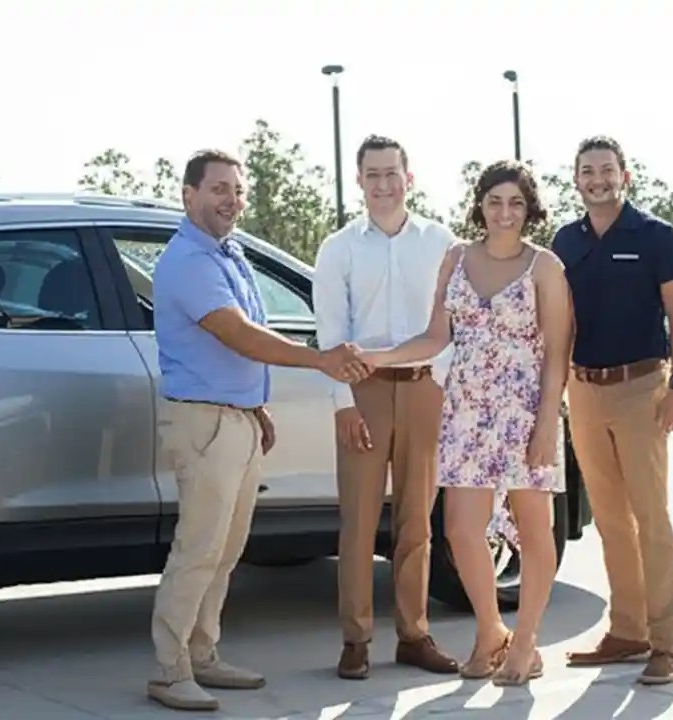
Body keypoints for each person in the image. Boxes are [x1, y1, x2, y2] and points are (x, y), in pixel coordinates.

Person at [148, 148, 370, 712]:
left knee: (225, 551)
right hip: (204, 423)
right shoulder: (189, 262)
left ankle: (203, 655)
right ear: (189, 194)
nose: (231, 200)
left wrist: (256, 404)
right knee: (197, 548)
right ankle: (170, 670)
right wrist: (320, 359)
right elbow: (238, 334)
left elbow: (246, 346)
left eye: (237, 190)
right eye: (218, 188)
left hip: (236, 418)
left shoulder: (229, 253)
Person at [359, 159, 573, 686]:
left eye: (516, 203)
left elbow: (558, 352)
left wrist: (547, 421)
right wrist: (375, 358)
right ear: (480, 203)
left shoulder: (545, 266)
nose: (505, 212)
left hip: (525, 410)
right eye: (495, 201)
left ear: (530, 210)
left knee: (533, 528)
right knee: (459, 529)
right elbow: (436, 338)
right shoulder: (456, 258)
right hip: (466, 409)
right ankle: (490, 629)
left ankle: (525, 642)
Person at [312, 135, 462, 680]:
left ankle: (414, 635)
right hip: (364, 392)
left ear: (409, 177)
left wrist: (440, 386)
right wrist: (342, 405)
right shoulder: (339, 249)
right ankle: (356, 640)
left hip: (424, 390)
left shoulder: (441, 242)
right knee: (357, 523)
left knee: (417, 521)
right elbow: (330, 334)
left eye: (391, 173)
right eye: (372, 175)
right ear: (359, 181)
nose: (382, 184)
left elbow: (452, 322)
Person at [553, 135, 673, 686]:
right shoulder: (565, 241)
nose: (597, 179)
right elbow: (558, 319)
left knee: (650, 519)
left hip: (642, 389)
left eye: (606, 170)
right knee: (611, 519)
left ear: (625, 176)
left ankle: (665, 642)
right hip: (583, 392)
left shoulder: (656, 236)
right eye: (587, 171)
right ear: (577, 179)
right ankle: (628, 631)